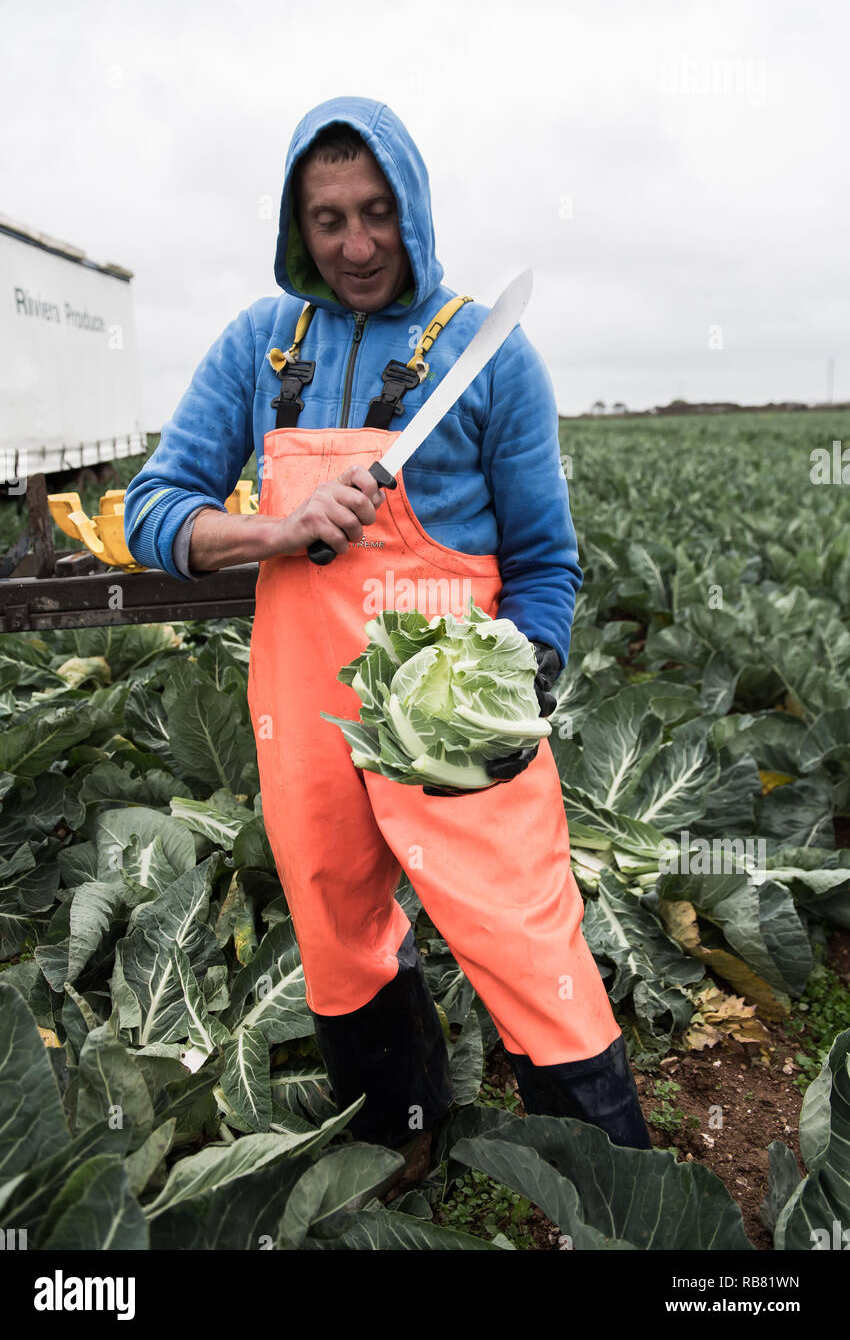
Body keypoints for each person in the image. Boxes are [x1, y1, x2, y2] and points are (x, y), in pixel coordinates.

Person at [124, 95, 651, 1166]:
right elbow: (154, 510)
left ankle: (619, 1204)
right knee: (335, 930)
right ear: (295, 226)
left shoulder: (491, 356)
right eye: (328, 219)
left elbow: (546, 563)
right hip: (304, 698)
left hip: (447, 707)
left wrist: (522, 671)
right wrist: (276, 527)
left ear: (411, 208)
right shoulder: (261, 349)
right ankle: (398, 1141)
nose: (357, 245)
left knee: (521, 935)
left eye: (376, 212)